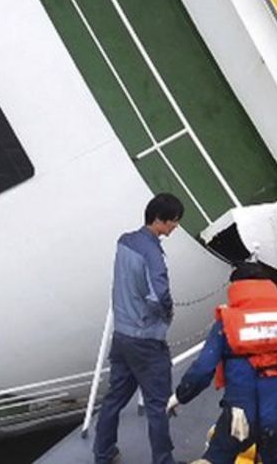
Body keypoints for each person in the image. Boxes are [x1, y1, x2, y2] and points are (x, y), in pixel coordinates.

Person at [166, 263, 277, 464]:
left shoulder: (226, 323)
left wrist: (180, 396)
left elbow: (202, 370)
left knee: (218, 456)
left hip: (239, 412)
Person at [94, 193, 184, 464]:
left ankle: (103, 452)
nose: (175, 227)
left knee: (114, 398)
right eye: (174, 222)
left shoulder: (124, 242)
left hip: (122, 335)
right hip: (146, 339)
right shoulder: (152, 252)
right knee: (157, 405)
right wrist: (167, 312)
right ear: (160, 220)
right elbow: (159, 294)